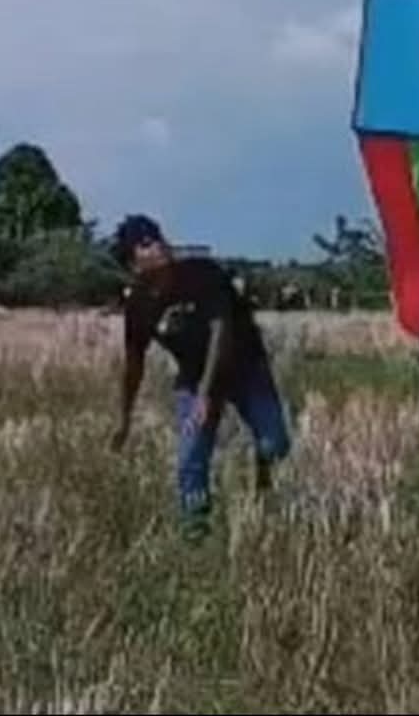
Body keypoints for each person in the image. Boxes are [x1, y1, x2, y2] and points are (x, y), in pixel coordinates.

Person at [110, 213, 290, 535]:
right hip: (194, 376)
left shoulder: (202, 274)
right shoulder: (139, 307)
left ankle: (264, 479)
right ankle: (195, 527)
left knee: (273, 444)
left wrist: (207, 395)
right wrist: (124, 419)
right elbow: (133, 364)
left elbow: (220, 332)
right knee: (191, 454)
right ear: (133, 264)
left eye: (157, 236)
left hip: (245, 366)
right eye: (145, 243)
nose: (158, 245)